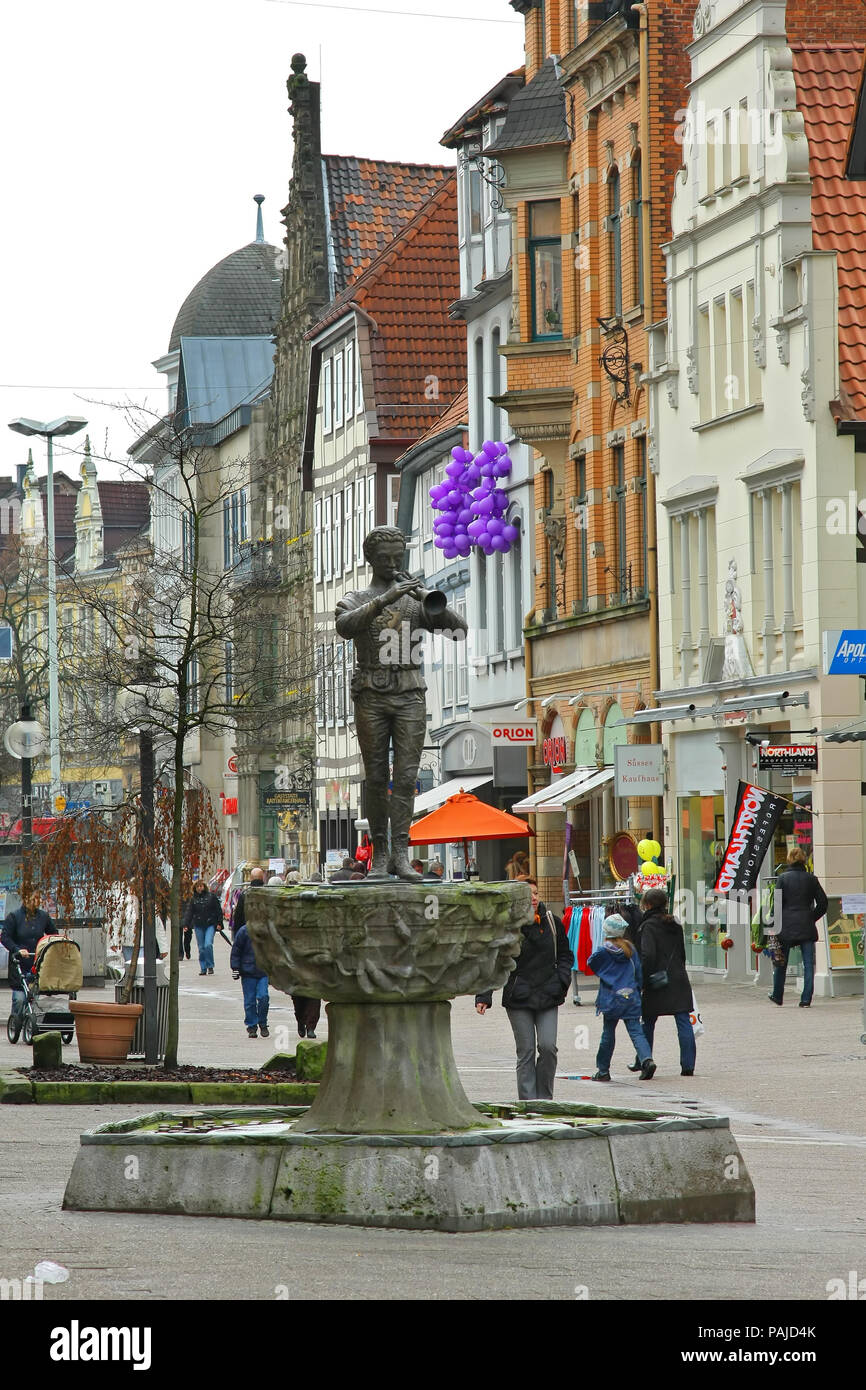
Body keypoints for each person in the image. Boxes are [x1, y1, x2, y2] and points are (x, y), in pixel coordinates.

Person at [335, 526, 467, 881]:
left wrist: (430, 601)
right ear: (371, 560)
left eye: (398, 557)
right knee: (377, 777)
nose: (393, 563)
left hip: (409, 691)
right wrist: (385, 598)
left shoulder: (414, 599)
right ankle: (380, 854)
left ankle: (402, 854)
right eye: (385, 559)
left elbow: (460, 629)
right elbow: (345, 626)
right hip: (371, 693)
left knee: (407, 778)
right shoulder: (356, 596)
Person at [475, 876, 573, 1101]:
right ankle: (529, 1104)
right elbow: (495, 962)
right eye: (529, 895)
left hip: (549, 993)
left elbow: (566, 955)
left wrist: (562, 980)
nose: (534, 897)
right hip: (519, 996)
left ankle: (545, 1101)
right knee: (526, 1051)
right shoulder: (508, 928)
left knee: (548, 1048)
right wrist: (484, 995)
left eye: (536, 893)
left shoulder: (551, 922)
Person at [587, 914, 655, 1081]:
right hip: (630, 996)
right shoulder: (630, 948)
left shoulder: (603, 950)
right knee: (636, 1031)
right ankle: (647, 1060)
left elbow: (591, 963)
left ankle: (603, 1070)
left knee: (608, 1033)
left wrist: (606, 975)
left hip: (610, 997)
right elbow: (638, 972)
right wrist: (638, 989)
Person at [637, 887, 696, 1077]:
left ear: (647, 905)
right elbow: (681, 952)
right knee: (683, 1020)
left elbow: (648, 955)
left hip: (657, 980)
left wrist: (643, 980)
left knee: (648, 1021)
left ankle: (645, 1060)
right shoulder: (675, 923)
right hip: (678, 977)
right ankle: (688, 1066)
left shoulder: (648, 926)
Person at [769, 847, 828, 1007]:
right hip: (806, 925)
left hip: (786, 926)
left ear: (789, 860)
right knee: (808, 963)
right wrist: (811, 917)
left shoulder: (783, 878)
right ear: (803, 860)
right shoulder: (811, 879)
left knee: (781, 961)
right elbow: (823, 903)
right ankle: (805, 999)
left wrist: (774, 923)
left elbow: (777, 904)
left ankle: (777, 995)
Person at [1, 892, 57, 1019]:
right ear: (26, 899)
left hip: (35, 962)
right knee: (20, 999)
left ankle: (30, 1023)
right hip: (19, 964)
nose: (37, 901)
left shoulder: (43, 917)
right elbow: (5, 937)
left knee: (33, 997)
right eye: (34, 898)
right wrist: (17, 949)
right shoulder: (14, 917)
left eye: (38, 898)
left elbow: (52, 933)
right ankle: (16, 1022)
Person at [230, 923, 270, 1039]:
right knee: (249, 1001)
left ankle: (262, 1022)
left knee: (264, 997)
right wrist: (235, 968)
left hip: (263, 971)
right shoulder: (244, 931)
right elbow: (236, 950)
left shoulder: (268, 931)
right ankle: (252, 1026)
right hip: (248, 971)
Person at [182, 879, 224, 976]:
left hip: (210, 924)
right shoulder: (193, 900)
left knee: (208, 945)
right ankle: (203, 967)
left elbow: (218, 910)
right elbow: (189, 913)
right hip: (198, 925)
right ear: (195, 888)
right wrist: (186, 924)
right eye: (198, 887)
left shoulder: (211, 897)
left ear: (204, 887)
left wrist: (219, 923)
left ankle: (210, 965)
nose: (200, 888)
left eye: (201, 886)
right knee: (201, 948)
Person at [231, 866, 266, 939]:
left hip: (247, 931)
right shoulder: (267, 894)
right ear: (262, 878)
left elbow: (238, 916)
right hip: (264, 933)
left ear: (251, 878)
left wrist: (236, 934)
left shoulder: (244, 894)